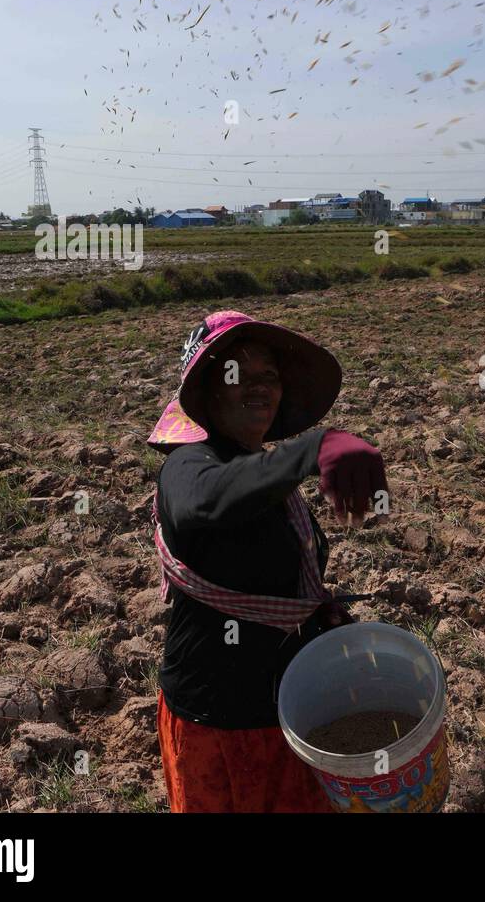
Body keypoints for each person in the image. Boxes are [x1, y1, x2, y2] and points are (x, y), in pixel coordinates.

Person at [145, 310, 388, 812]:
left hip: (289, 706)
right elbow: (202, 504)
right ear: (208, 389)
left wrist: (316, 614)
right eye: (238, 375)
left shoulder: (257, 467)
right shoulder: (191, 462)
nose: (258, 388)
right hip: (218, 719)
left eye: (269, 377)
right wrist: (311, 448)